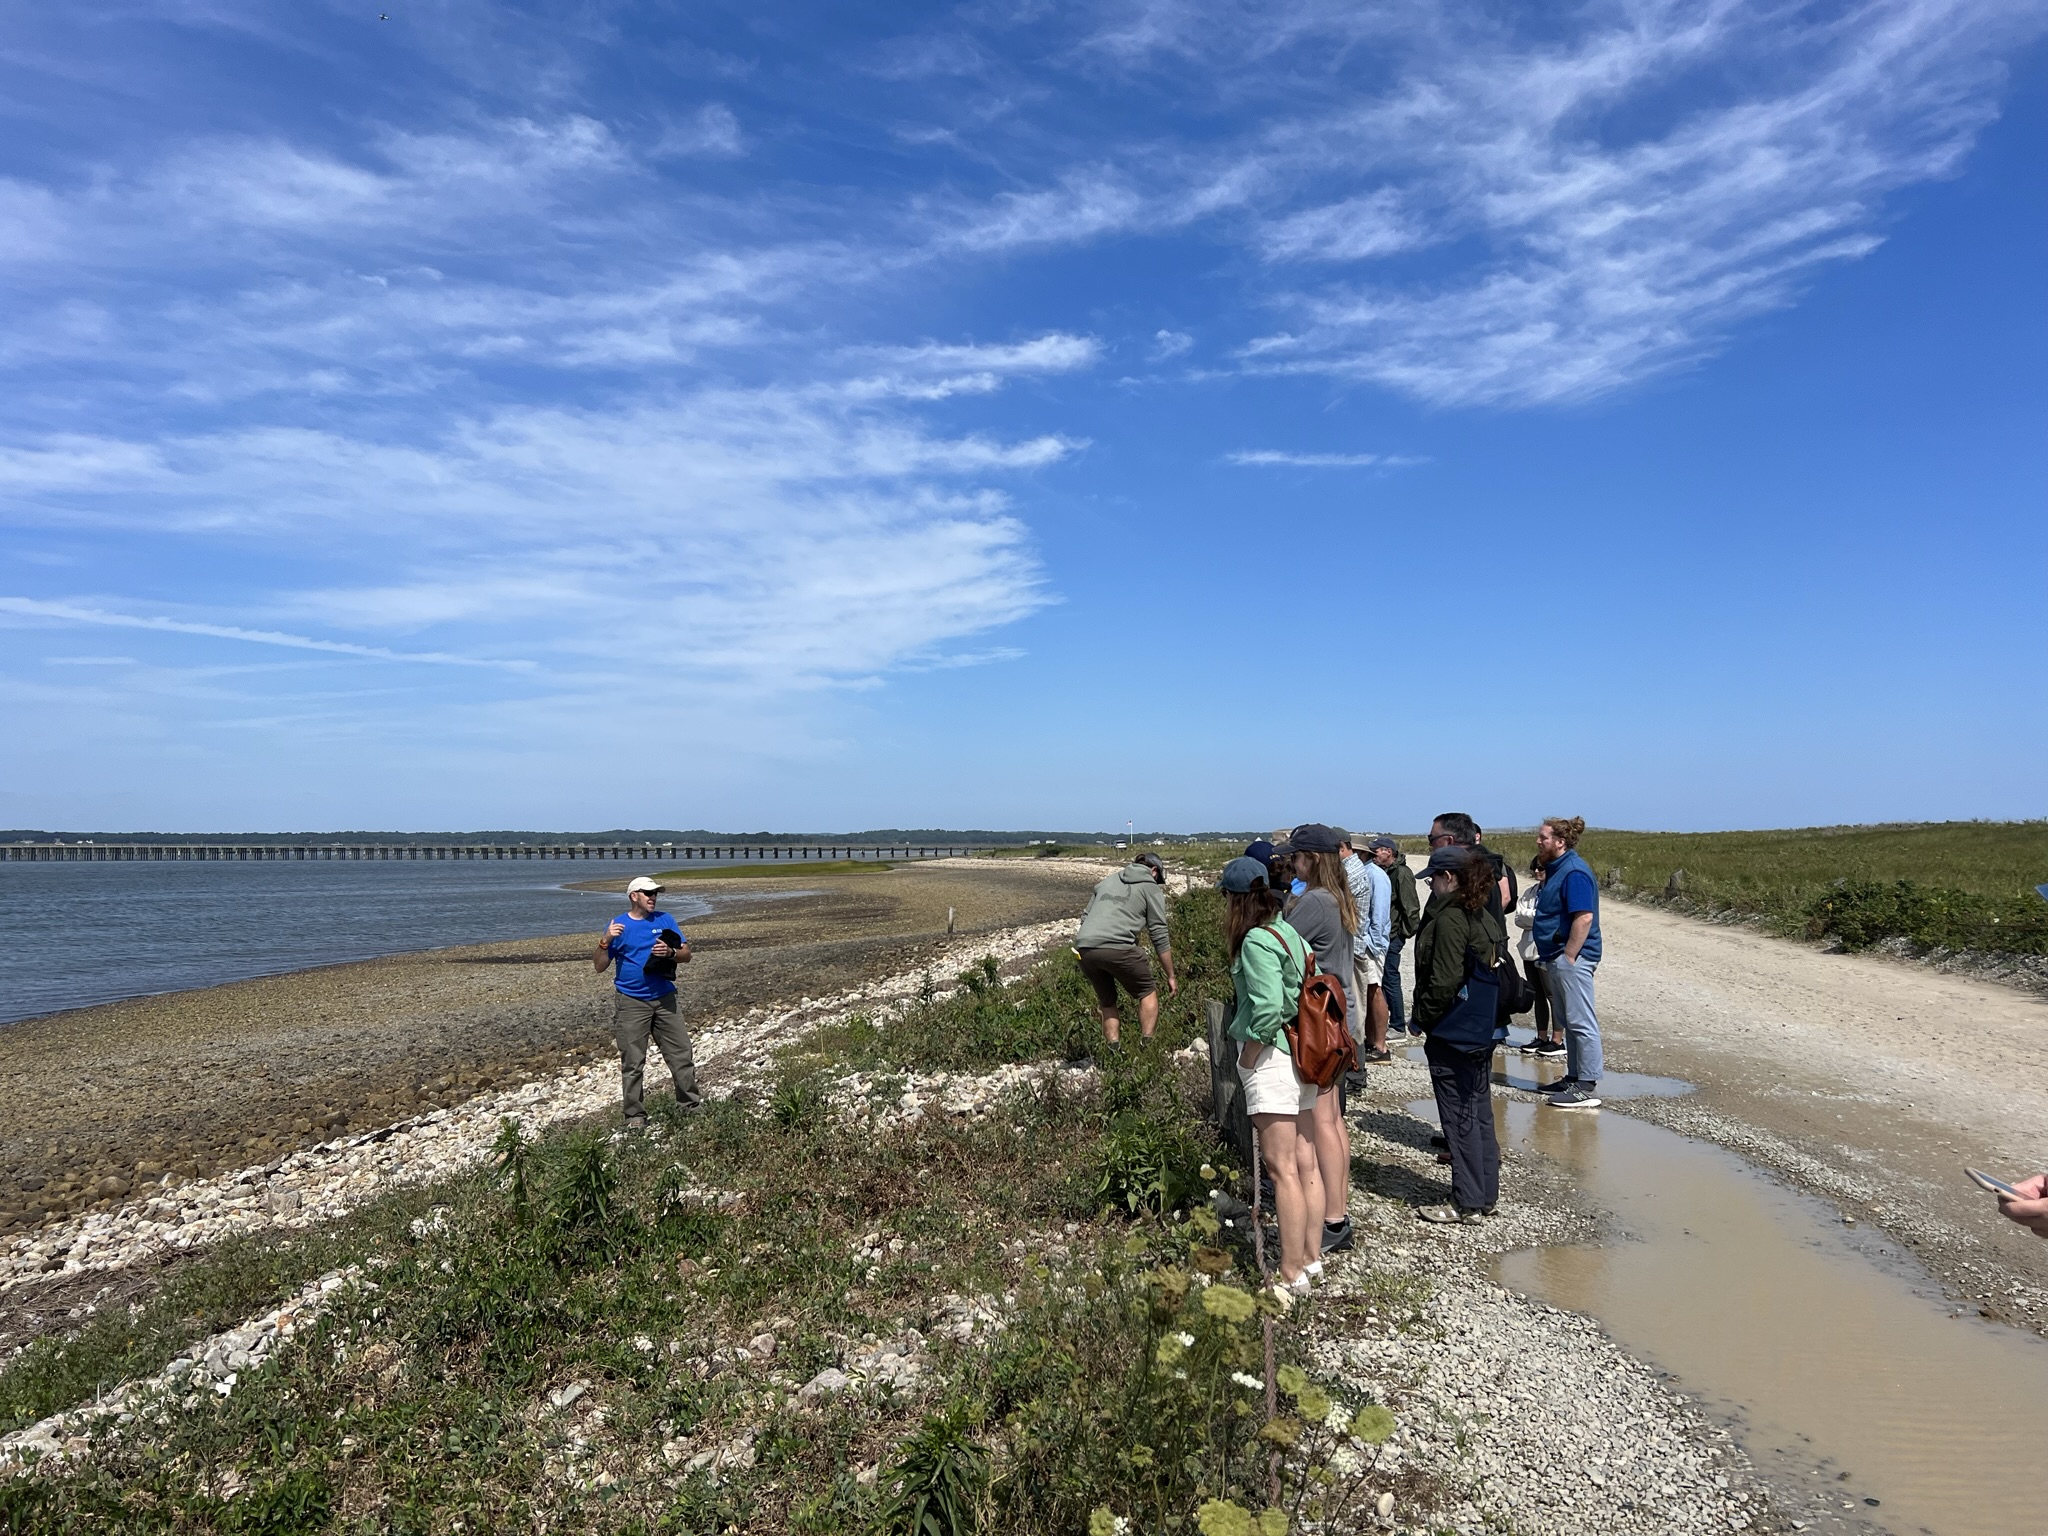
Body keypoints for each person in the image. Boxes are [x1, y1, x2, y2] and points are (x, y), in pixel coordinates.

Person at [1220, 856, 1325, 1291]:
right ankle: (1311, 1257)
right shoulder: (1290, 933)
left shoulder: (1256, 941)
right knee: (1305, 1162)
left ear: (1237, 899)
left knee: (1281, 1168)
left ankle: (1290, 1272)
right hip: (1302, 1056)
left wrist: (1247, 1059)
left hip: (1274, 1059)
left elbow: (1268, 1008)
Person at [1411, 846, 1507, 1223]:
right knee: (1479, 1111)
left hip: (1454, 1031)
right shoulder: (1483, 914)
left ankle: (1466, 1202)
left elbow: (1444, 980)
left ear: (1449, 878)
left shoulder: (1451, 918)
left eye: (1433, 878)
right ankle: (1485, 1194)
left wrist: (1422, 1018)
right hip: (1480, 1028)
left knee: (1457, 1116)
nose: (1430, 885)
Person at [1284, 824, 1360, 1256]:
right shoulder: (1337, 897)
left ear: (1310, 859)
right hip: (1337, 1019)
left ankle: (1332, 1219)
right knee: (1333, 1121)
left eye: (1296, 857)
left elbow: (1279, 943)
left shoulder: (1314, 901)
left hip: (1318, 1024)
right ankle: (1337, 1211)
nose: (1291, 864)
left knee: (1321, 1123)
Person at [593, 875, 701, 1130]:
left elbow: (686, 955)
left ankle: (691, 1108)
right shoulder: (618, 926)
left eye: (655, 894)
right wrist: (605, 940)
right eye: (648, 893)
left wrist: (671, 953)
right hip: (631, 1002)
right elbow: (599, 966)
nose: (653, 897)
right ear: (634, 896)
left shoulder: (665, 920)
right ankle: (635, 1117)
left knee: (681, 1056)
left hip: (665, 998)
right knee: (633, 1062)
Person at [1531, 816, 1603, 1110]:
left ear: (1560, 842)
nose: (1538, 841)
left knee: (1581, 1021)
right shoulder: (1556, 869)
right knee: (1568, 1019)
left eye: (1543, 837)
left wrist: (1570, 955)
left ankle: (1587, 1086)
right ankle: (1573, 1077)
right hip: (1556, 956)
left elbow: (1584, 917)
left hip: (1572, 956)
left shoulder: (1574, 872)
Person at [1075, 852, 1178, 1046]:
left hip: (1085, 948)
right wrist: (1170, 974)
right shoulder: (1150, 887)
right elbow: (1159, 932)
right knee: (1147, 992)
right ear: (1154, 871)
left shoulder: (1106, 881)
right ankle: (1147, 1048)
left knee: (1107, 1001)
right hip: (1119, 947)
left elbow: (1085, 918)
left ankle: (1114, 1050)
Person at [1339, 831, 1392, 1063]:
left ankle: (1380, 1045)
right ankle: (1372, 1041)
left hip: (1371, 945)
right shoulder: (1367, 873)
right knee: (1367, 992)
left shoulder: (1375, 875)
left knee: (1374, 990)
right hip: (1368, 942)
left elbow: (1379, 915)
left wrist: (1375, 946)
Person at [1515, 857, 1564, 1059]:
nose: (1536, 871)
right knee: (1538, 995)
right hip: (1529, 951)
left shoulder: (1556, 891)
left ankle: (1557, 1040)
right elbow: (1519, 918)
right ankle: (1541, 1037)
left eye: (1541, 867)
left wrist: (1533, 916)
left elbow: (1552, 917)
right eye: (1533, 867)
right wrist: (1537, 916)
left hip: (1547, 950)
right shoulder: (1531, 891)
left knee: (1553, 995)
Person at [1370, 836, 1419, 1034]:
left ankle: (1398, 1025)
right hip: (1387, 935)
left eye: (1377, 851)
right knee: (1384, 978)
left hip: (1393, 936)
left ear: (1388, 852)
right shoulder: (1386, 872)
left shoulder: (1402, 874)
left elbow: (1411, 908)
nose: (1374, 855)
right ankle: (1389, 1019)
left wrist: (1402, 935)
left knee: (1391, 978)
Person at [1425, 812, 1516, 920]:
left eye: (1432, 839)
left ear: (1449, 841)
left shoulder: (1466, 874)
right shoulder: (1482, 867)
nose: (1431, 845)